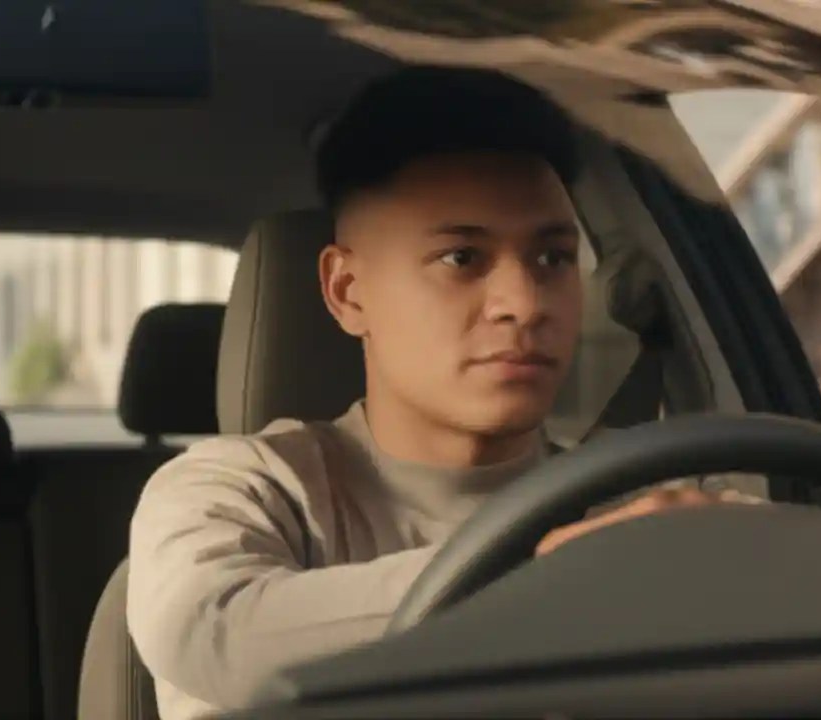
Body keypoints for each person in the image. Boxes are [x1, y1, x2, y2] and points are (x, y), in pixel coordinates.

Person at [127, 66, 742, 719]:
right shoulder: (244, 490)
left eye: (552, 259)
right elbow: (210, 631)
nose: (524, 304)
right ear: (347, 291)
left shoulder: (628, 507)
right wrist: (558, 576)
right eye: (462, 259)